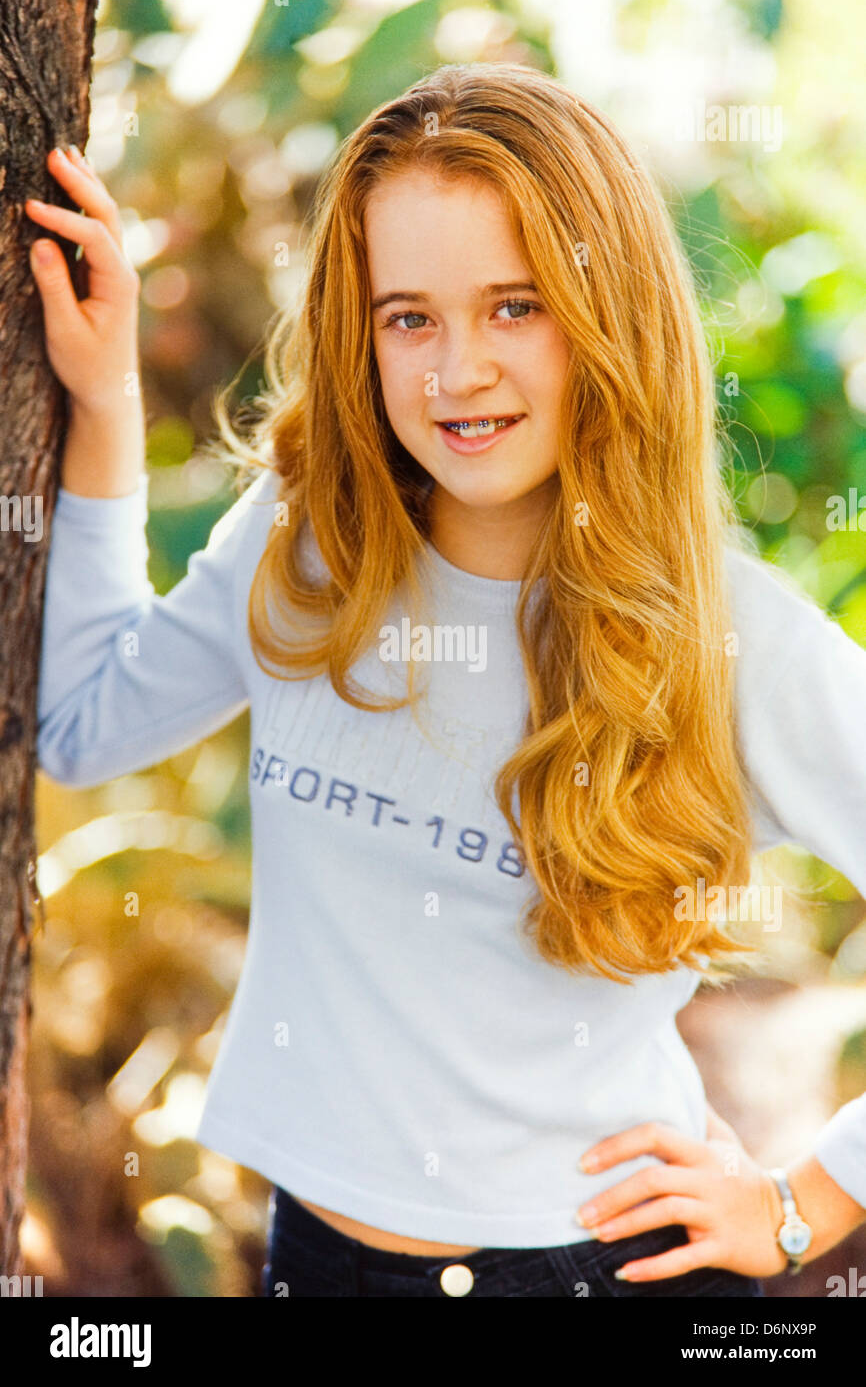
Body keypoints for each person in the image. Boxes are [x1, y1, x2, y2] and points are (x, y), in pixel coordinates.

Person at [28, 63, 866, 1298]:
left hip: (609, 1271)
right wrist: (101, 401)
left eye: (513, 306)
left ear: (607, 312)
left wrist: (801, 1206)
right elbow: (85, 723)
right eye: (406, 315)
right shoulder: (306, 547)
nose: (453, 371)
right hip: (315, 1259)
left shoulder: (734, 638)